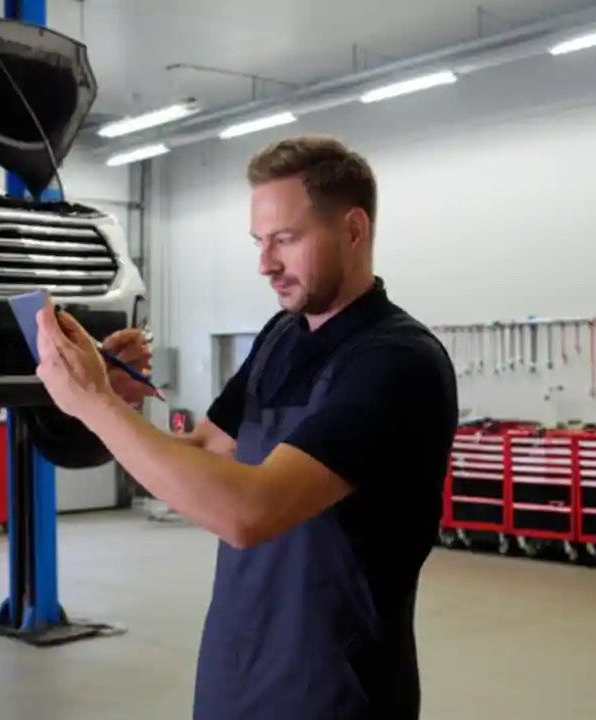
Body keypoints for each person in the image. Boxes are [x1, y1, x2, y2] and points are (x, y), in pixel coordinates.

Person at [38, 135, 458, 719]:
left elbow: (249, 511)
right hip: (237, 675)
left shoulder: (395, 362)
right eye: (260, 242)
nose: (265, 264)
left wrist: (95, 405)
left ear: (354, 230)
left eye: (286, 239)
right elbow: (204, 452)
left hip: (333, 694)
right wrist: (112, 398)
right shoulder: (281, 338)